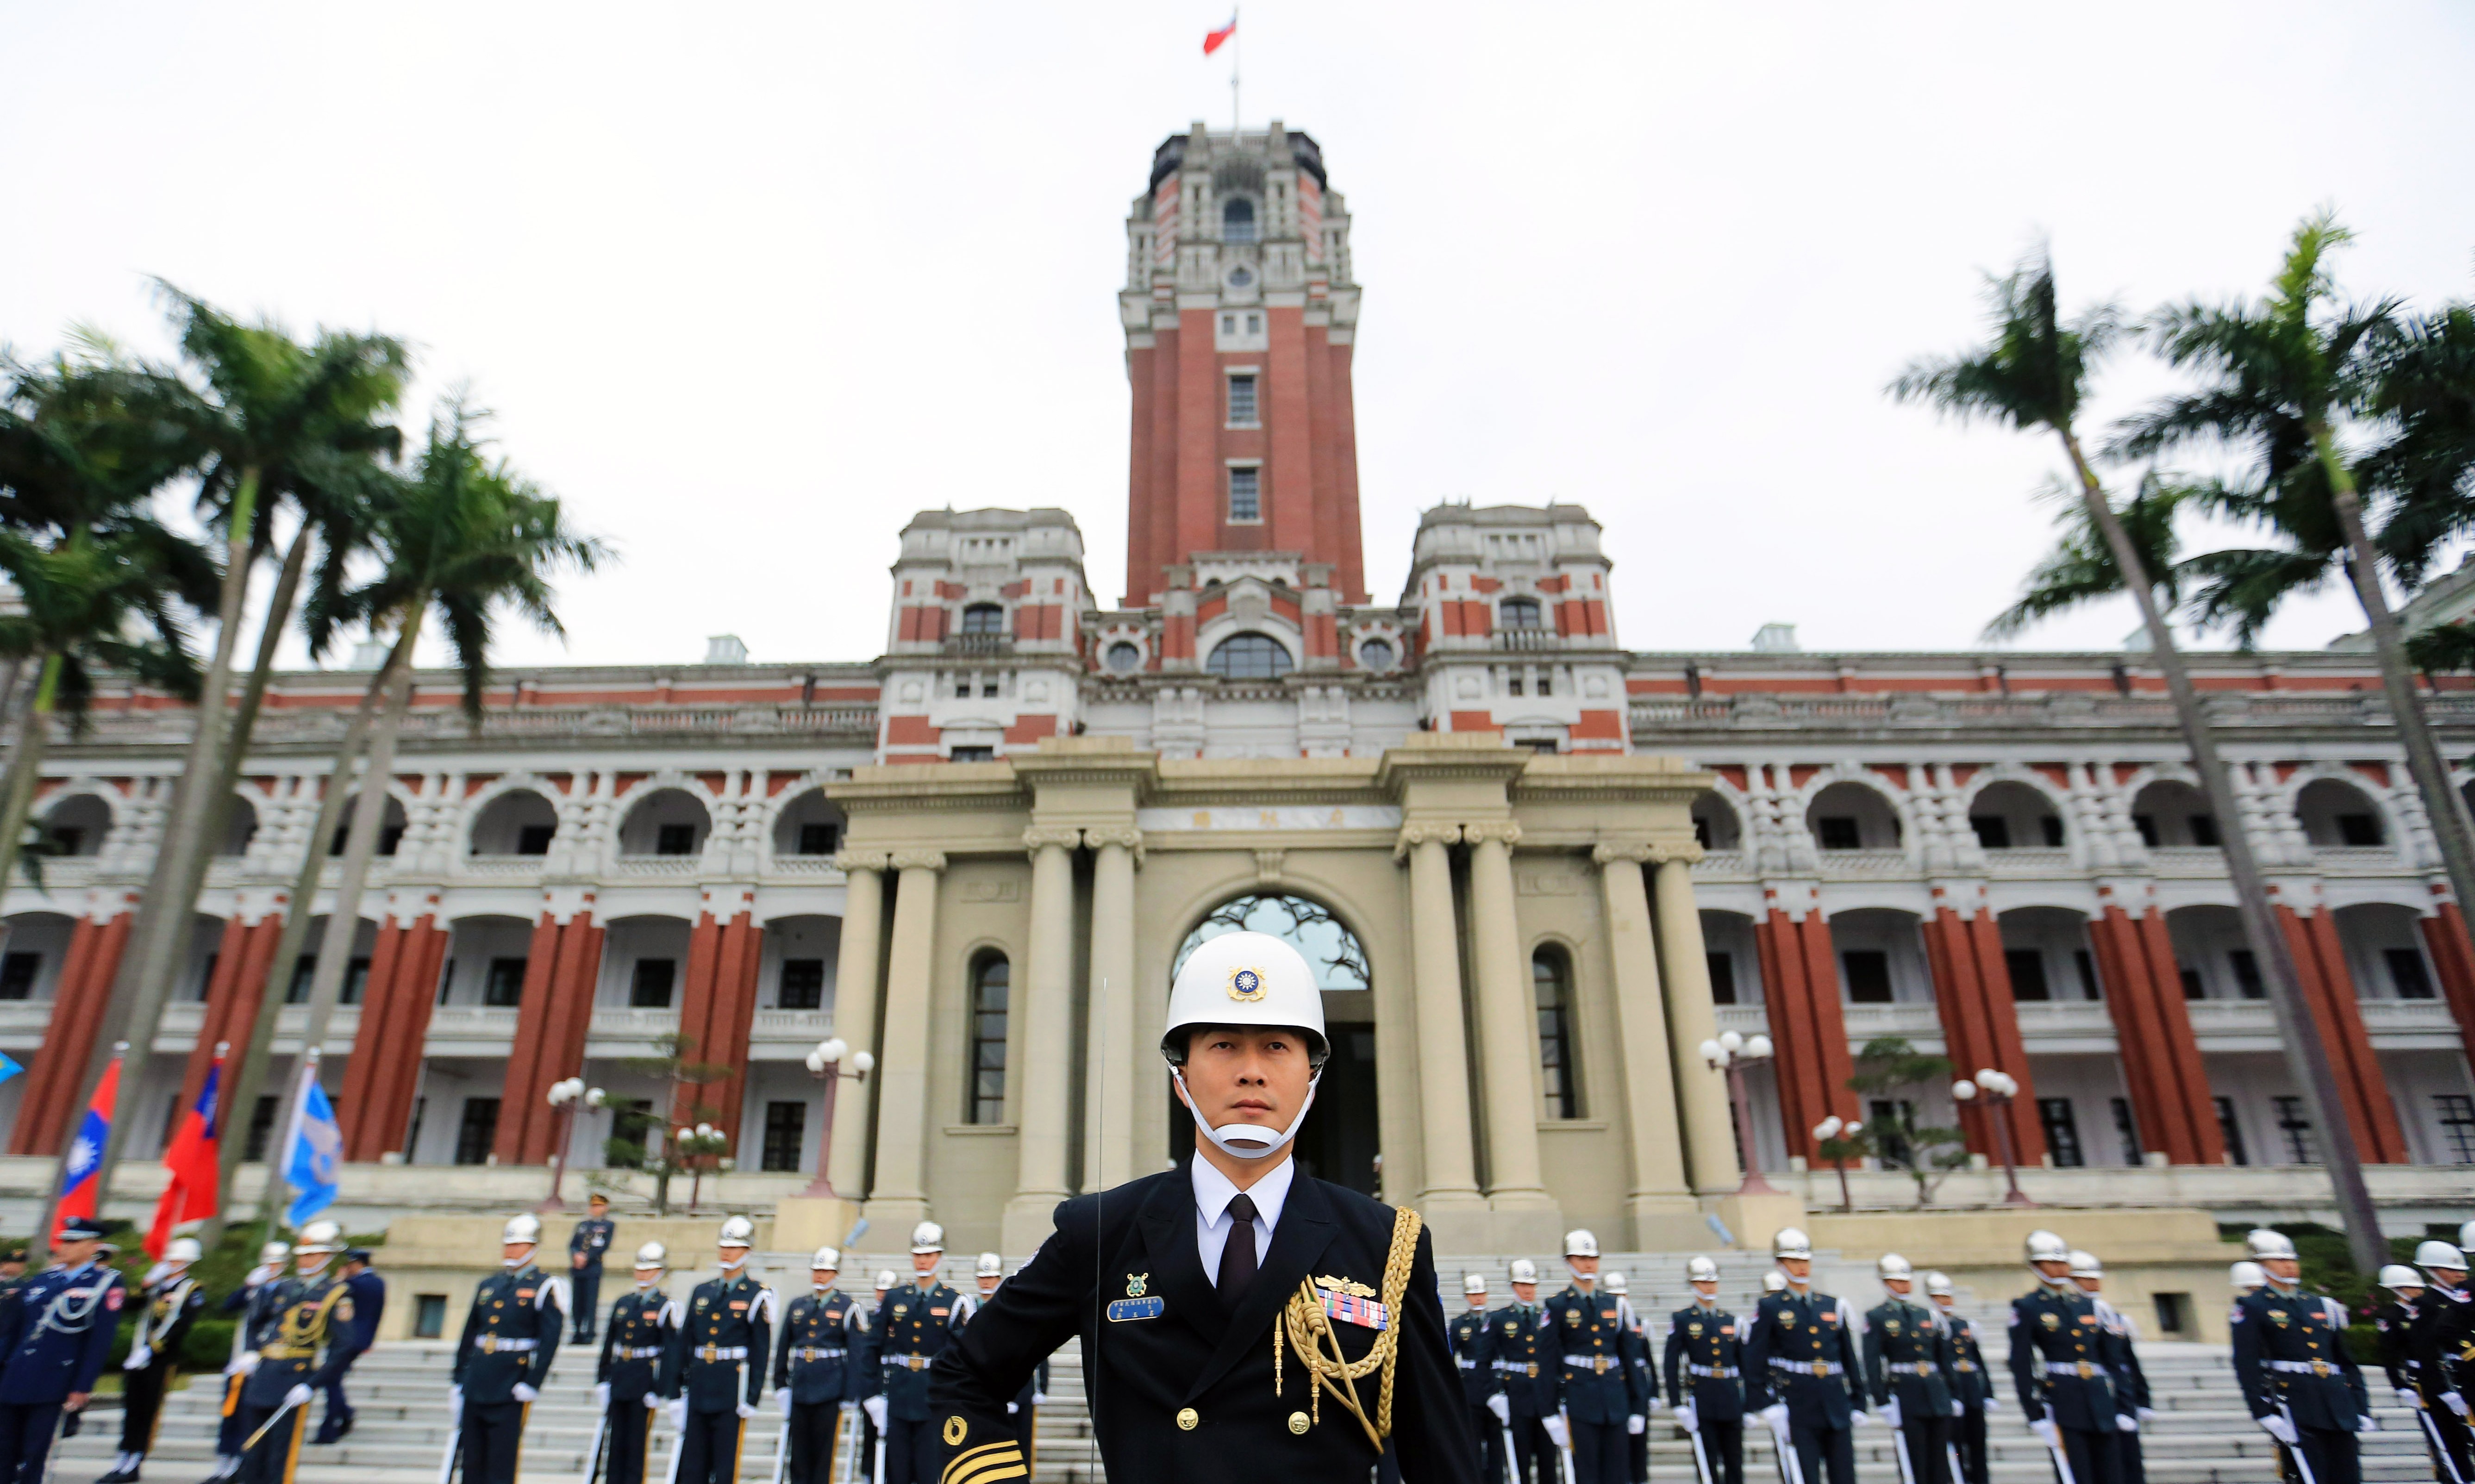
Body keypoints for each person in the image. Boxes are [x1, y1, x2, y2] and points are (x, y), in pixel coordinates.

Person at [926, 929, 1478, 1484]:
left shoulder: (1385, 1243)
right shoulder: (1103, 1230)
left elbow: (1439, 1447)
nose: (1252, 1071)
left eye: (1277, 1046)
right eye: (1224, 1045)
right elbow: (966, 1374)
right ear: (1180, 1073)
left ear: (1312, 1074)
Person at [2232, 1228, 2370, 1484]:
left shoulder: (2318, 1304)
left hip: (2336, 1402)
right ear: (2261, 1265)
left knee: (2348, 1476)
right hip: (2295, 1404)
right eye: (2280, 1261)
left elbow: (2345, 1360)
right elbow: (2246, 1363)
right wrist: (2262, 1411)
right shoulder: (2253, 1306)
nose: (2289, 1267)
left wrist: (2360, 1406)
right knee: (2308, 1476)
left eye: (2292, 1261)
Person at [233, 1220, 362, 1484]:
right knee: (251, 1450)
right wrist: (250, 1352)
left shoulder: (336, 1294)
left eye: (312, 1255)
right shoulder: (284, 1287)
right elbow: (254, 1320)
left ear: (327, 1257)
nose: (304, 1261)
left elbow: (344, 1346)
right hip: (264, 1374)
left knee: (280, 1456)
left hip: (295, 1377)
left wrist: (312, 1384)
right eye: (302, 1256)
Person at [0, 1216, 125, 1484]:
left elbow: (99, 1341)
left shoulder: (105, 1283)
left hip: (56, 1379)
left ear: (93, 1246)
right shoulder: (44, 1279)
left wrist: (82, 1386)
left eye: (73, 1242)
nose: (64, 1247)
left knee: (36, 1454)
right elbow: (14, 1330)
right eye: (63, 1241)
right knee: (4, 1450)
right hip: (16, 1376)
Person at [449, 1214, 564, 1484]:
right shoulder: (490, 1285)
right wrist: (458, 1379)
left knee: (501, 1463)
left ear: (533, 1248)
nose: (510, 1250)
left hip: (511, 1382)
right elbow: (470, 1334)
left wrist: (533, 1382)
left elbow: (549, 1342)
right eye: (508, 1245)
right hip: (478, 1380)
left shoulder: (545, 1286)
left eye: (518, 1245)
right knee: (472, 1461)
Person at [659, 1215, 774, 1484]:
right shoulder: (703, 1291)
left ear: (747, 1252)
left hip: (731, 1387)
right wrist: (674, 1390)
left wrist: (752, 1396)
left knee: (725, 1465)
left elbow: (760, 1351)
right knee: (692, 1465)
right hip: (700, 1383)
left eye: (734, 1247)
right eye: (724, 1246)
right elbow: (684, 1343)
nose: (727, 1252)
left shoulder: (757, 1295)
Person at [1743, 1227, 1863, 1484]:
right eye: (1794, 1261)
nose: (1802, 1268)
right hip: (1798, 1403)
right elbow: (1754, 1360)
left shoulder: (1831, 1304)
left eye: (1805, 1261)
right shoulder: (1771, 1307)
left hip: (1834, 1401)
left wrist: (1859, 1399)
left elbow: (1848, 1357)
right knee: (1804, 1476)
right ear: (1780, 1264)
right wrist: (1765, 1404)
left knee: (1845, 1476)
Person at [861, 1222, 972, 1484]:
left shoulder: (953, 1301)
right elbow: (872, 1346)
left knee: (928, 1471)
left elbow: (962, 1356)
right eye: (918, 1255)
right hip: (899, 1393)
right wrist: (871, 1394)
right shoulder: (895, 1298)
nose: (923, 1261)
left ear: (940, 1257)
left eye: (929, 1255)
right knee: (897, 1472)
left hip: (933, 1397)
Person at [97, 1235, 206, 1483]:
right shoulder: (157, 1286)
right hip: (138, 1356)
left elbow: (182, 1325)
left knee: (148, 1410)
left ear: (187, 1262)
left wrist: (153, 1349)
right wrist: (146, 1285)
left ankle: (135, 1461)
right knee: (132, 1408)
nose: (171, 1261)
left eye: (176, 1258)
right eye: (170, 1257)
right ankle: (122, 1458)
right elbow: (130, 1305)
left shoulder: (193, 1289)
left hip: (161, 1359)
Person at [1545, 1229, 1643, 1484]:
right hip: (1581, 1400)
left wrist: (1638, 1406)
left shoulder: (1614, 1304)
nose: (1588, 1263)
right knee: (1587, 1473)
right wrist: (1550, 1412)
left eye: (1593, 1257)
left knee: (1619, 1474)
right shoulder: (1557, 1306)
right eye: (1580, 1258)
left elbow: (1630, 1359)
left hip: (1615, 1400)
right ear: (1568, 1262)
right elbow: (1548, 1362)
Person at [772, 1245, 863, 1484]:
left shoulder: (847, 1307)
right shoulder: (798, 1305)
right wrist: (780, 1383)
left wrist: (850, 1393)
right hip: (801, 1386)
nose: (820, 1276)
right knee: (798, 1456)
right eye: (817, 1271)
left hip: (830, 1389)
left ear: (836, 1274)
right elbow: (784, 1347)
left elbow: (856, 1354)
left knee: (824, 1456)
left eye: (826, 1271)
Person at [1861, 1253, 1952, 1484]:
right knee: (1916, 1463)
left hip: (1935, 1393)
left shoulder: (1927, 1315)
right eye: (1898, 1281)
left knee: (1941, 1463)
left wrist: (1954, 1392)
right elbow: (1872, 1362)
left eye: (1907, 1280)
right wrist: (1881, 1399)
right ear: (1886, 1283)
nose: (1905, 1285)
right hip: (1906, 1394)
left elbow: (1943, 1358)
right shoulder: (1877, 1316)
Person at [206, 1243, 293, 1483]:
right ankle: (225, 1463)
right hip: (240, 1361)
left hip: (264, 1363)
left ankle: (243, 1466)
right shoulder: (255, 1288)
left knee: (249, 1417)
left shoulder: (287, 1290)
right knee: (230, 1413)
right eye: (268, 1263)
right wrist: (248, 1286)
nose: (271, 1268)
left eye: (276, 1264)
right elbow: (228, 1306)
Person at [597, 1242, 679, 1484]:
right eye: (640, 1269)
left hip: (644, 1379)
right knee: (615, 1444)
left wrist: (659, 1388)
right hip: (621, 1376)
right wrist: (603, 1378)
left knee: (635, 1446)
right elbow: (609, 1343)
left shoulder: (665, 1306)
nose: (643, 1274)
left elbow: (670, 1353)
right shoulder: (624, 1302)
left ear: (660, 1272)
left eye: (649, 1270)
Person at [2069, 1250, 2150, 1484]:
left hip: (2119, 1397)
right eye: (2087, 1279)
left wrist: (2141, 1399)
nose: (2095, 1283)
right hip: (2091, 1399)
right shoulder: (2069, 1315)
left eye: (2096, 1278)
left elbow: (2127, 1362)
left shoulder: (2110, 1314)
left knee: (2131, 1464)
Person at [1664, 1255, 1745, 1484]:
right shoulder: (1683, 1319)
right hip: (1703, 1395)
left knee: (1735, 1461)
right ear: (1693, 1285)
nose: (1709, 1287)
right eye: (1703, 1283)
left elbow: (1745, 1364)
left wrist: (1750, 1403)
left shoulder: (1730, 1320)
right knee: (1707, 1461)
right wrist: (1676, 1402)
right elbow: (1672, 1363)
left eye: (1712, 1282)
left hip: (1730, 1395)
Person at [970, 1253, 1046, 1459]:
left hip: (1019, 1388)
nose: (986, 1282)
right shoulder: (967, 1307)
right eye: (983, 1277)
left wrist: (1041, 1387)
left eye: (991, 1277)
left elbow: (1038, 1348)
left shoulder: (1011, 1307)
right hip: (982, 1389)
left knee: (1021, 1446)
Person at [1925, 1272, 1993, 1484]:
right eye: (1940, 1297)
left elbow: (1979, 1361)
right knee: (1955, 1444)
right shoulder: (1930, 1327)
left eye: (1948, 1296)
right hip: (1950, 1391)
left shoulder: (1965, 1325)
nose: (1946, 1301)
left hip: (1971, 1390)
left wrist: (1989, 1393)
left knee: (1978, 1443)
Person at [1494, 1258, 1557, 1484]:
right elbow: (1490, 1358)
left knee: (1548, 1459)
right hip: (1517, 1394)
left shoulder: (1547, 1317)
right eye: (1523, 1285)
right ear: (1513, 1286)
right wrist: (1496, 1392)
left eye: (1531, 1285)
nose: (1528, 1290)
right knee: (1519, 1459)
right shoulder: (1500, 1319)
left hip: (1545, 1395)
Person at [314, 1249, 384, 1445]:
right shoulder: (378, 1282)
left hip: (344, 1340)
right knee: (333, 1379)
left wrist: (339, 1280)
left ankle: (333, 1425)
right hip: (359, 1340)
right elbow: (377, 1314)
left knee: (331, 1380)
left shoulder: (352, 1284)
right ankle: (343, 1415)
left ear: (357, 1264)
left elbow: (331, 1295)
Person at [1450, 1273, 1504, 1481]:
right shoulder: (1458, 1325)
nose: (1478, 1299)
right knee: (1473, 1440)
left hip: (1493, 1385)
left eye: (1481, 1294)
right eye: (1474, 1295)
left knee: (1496, 1441)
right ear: (1466, 1297)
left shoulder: (1497, 1321)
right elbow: (1451, 1355)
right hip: (1470, 1388)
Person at [1600, 1272, 1651, 1484]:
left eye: (1623, 1295)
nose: (1620, 1300)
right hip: (1612, 1390)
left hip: (1636, 1389)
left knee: (1639, 1451)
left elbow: (1646, 1361)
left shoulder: (1638, 1323)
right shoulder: (1600, 1326)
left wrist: (1652, 1394)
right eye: (1615, 1296)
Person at [855, 1269, 898, 1471]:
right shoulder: (869, 1318)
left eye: (887, 1291)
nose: (882, 1295)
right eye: (879, 1291)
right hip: (875, 1382)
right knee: (870, 1437)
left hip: (896, 1381)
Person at [570, 1194, 617, 1344]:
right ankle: (577, 1330)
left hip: (593, 1268)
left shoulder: (608, 1225)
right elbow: (573, 1244)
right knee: (577, 1302)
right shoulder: (583, 1225)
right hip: (578, 1269)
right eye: (593, 1206)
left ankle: (590, 1331)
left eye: (598, 1206)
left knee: (591, 1302)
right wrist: (576, 1255)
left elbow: (604, 1245)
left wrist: (587, 1257)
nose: (595, 1209)